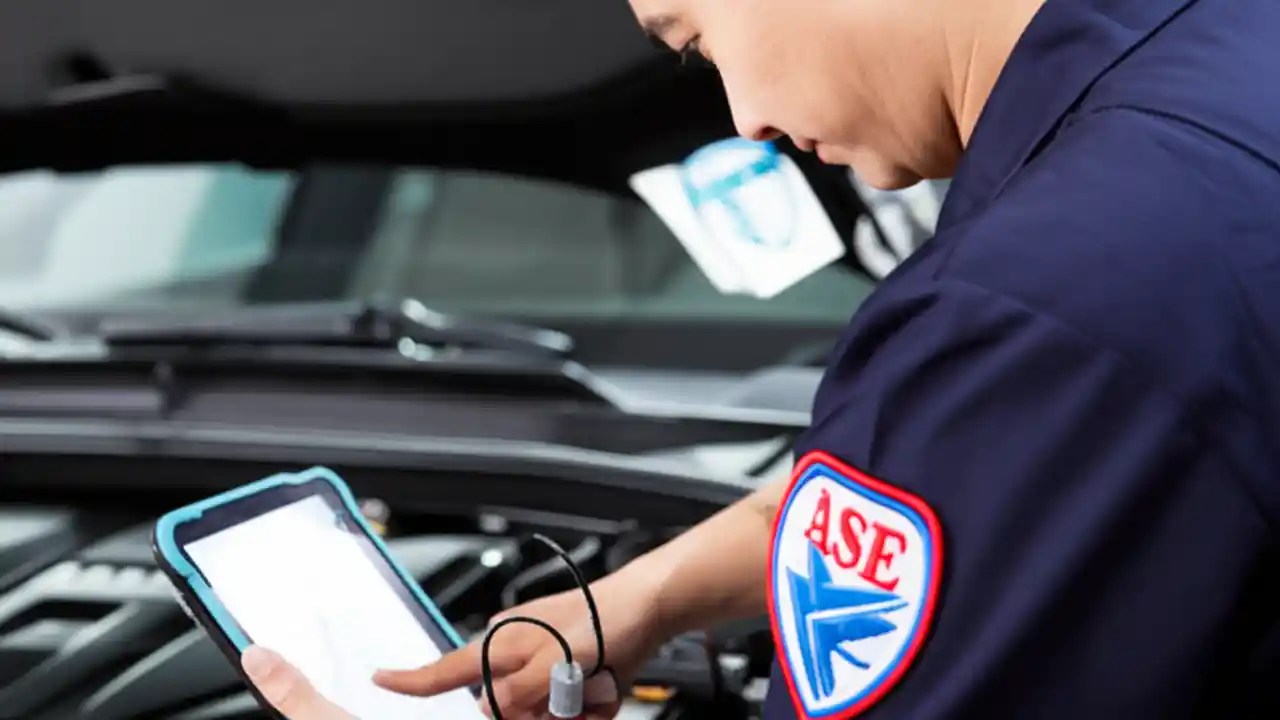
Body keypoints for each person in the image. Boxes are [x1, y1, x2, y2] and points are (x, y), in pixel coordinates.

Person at [237, 0, 1280, 717]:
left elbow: (1009, 418)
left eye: (695, 38)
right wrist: (636, 602)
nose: (745, 121)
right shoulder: (1223, 55)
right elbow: (1006, 476)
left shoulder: (1023, 310)